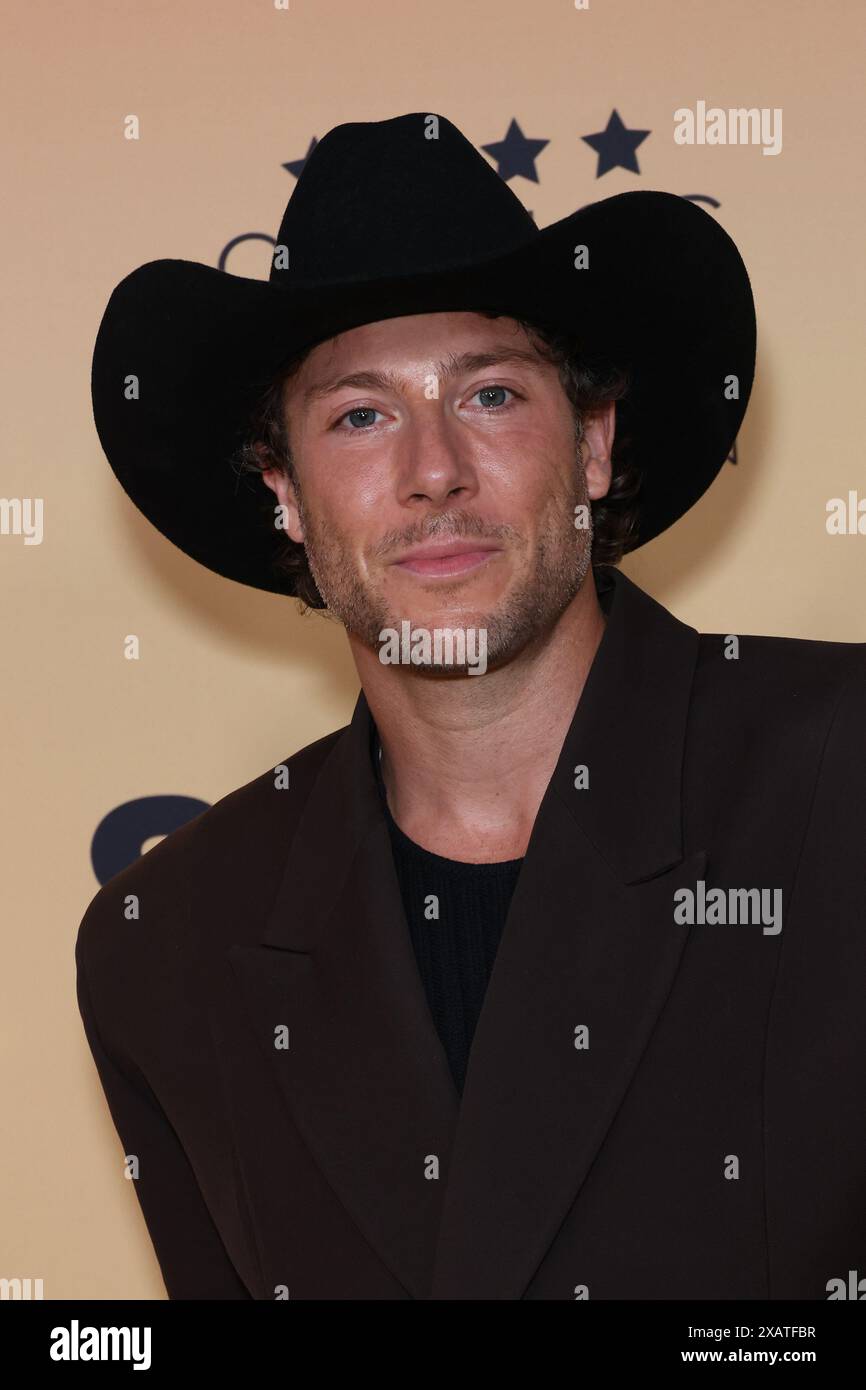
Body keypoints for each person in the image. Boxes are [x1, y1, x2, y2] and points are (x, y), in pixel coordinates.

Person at [76, 111, 866, 1300]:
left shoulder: (838, 776)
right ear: (284, 496)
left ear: (592, 446)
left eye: (489, 395)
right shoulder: (171, 944)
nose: (432, 469)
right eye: (360, 414)